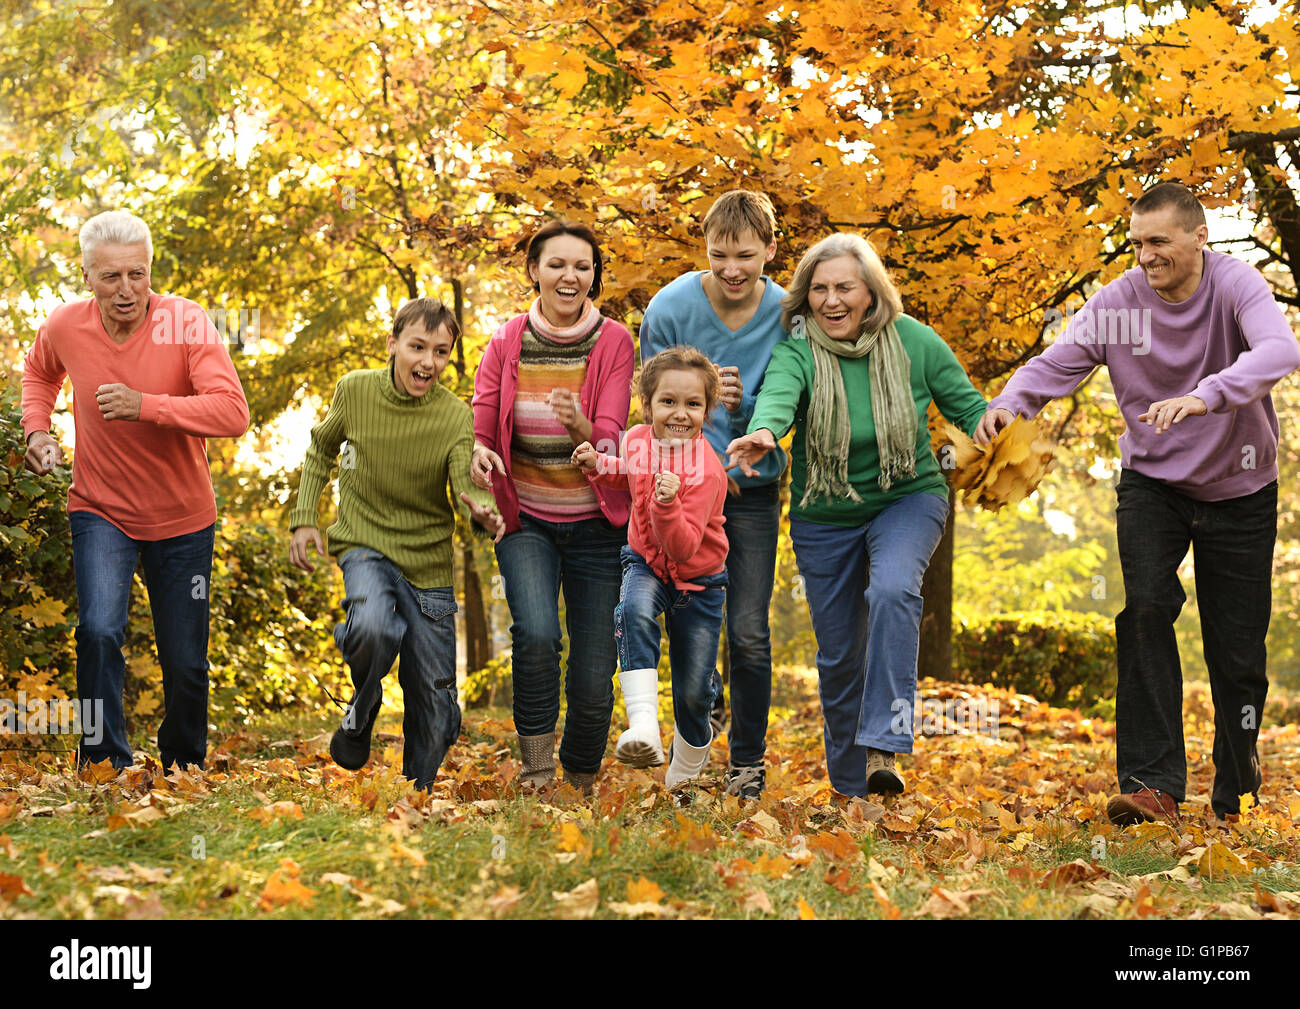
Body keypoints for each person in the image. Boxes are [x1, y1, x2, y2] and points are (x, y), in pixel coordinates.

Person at [977, 181, 1300, 826]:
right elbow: (1056, 363)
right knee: (1147, 608)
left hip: (1241, 489)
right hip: (1153, 482)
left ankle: (1237, 782)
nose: (1146, 256)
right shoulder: (1120, 303)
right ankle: (1152, 782)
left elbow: (1281, 350)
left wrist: (1207, 394)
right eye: (1137, 243)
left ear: (1199, 237)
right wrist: (1010, 403)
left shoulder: (1236, 286)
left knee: (1237, 652)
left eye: (1160, 242)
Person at [727, 233, 987, 798]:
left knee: (893, 590)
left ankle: (885, 745)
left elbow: (970, 407)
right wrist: (766, 431)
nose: (831, 300)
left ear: (870, 290)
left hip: (908, 495)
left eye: (844, 286)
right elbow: (778, 397)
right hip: (826, 512)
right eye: (818, 289)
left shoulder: (914, 341)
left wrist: (1003, 433)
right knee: (840, 657)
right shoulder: (798, 353)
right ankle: (856, 793)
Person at [21, 210, 250, 771]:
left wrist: (145, 406)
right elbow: (39, 374)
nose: (127, 291)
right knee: (98, 631)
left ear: (151, 270)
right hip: (100, 510)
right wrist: (38, 431)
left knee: (185, 660)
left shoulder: (188, 322)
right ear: (86, 276)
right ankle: (104, 764)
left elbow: (232, 412)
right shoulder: (64, 325)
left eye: (138, 275)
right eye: (111, 278)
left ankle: (183, 766)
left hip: (184, 518)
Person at [288, 298, 503, 791]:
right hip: (365, 545)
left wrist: (480, 510)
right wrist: (305, 521)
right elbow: (320, 449)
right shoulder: (355, 391)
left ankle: (416, 797)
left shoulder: (455, 416)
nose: (428, 362)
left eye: (441, 352)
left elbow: (464, 481)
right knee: (373, 627)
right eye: (418, 347)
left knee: (436, 704)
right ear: (393, 345)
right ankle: (362, 710)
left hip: (427, 564)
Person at [470, 220, 634, 794]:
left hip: (597, 526)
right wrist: (478, 456)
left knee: (593, 668)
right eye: (557, 264)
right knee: (537, 635)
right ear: (534, 271)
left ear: (594, 277)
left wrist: (580, 427)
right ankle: (539, 771)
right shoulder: (506, 340)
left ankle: (582, 775)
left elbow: (610, 439)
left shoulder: (614, 341)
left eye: (583, 266)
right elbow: (483, 422)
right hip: (527, 521)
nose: (570, 276)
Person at [638, 189, 787, 800]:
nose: (731, 269)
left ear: (771, 251)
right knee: (682, 622)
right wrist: (696, 387)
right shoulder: (670, 306)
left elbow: (798, 393)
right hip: (682, 486)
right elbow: (652, 401)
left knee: (748, 630)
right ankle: (693, 727)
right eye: (719, 254)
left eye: (746, 256)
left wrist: (745, 406)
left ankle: (747, 765)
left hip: (751, 491)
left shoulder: (787, 312)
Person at [572, 347, 729, 793]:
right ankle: (642, 726)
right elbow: (631, 473)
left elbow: (682, 546)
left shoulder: (707, 473)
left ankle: (688, 766)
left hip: (698, 581)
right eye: (668, 402)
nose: (680, 414)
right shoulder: (638, 438)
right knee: (633, 611)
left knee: (693, 694)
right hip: (644, 562)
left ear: (706, 409)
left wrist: (666, 503)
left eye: (693, 404)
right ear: (648, 405)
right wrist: (599, 467)